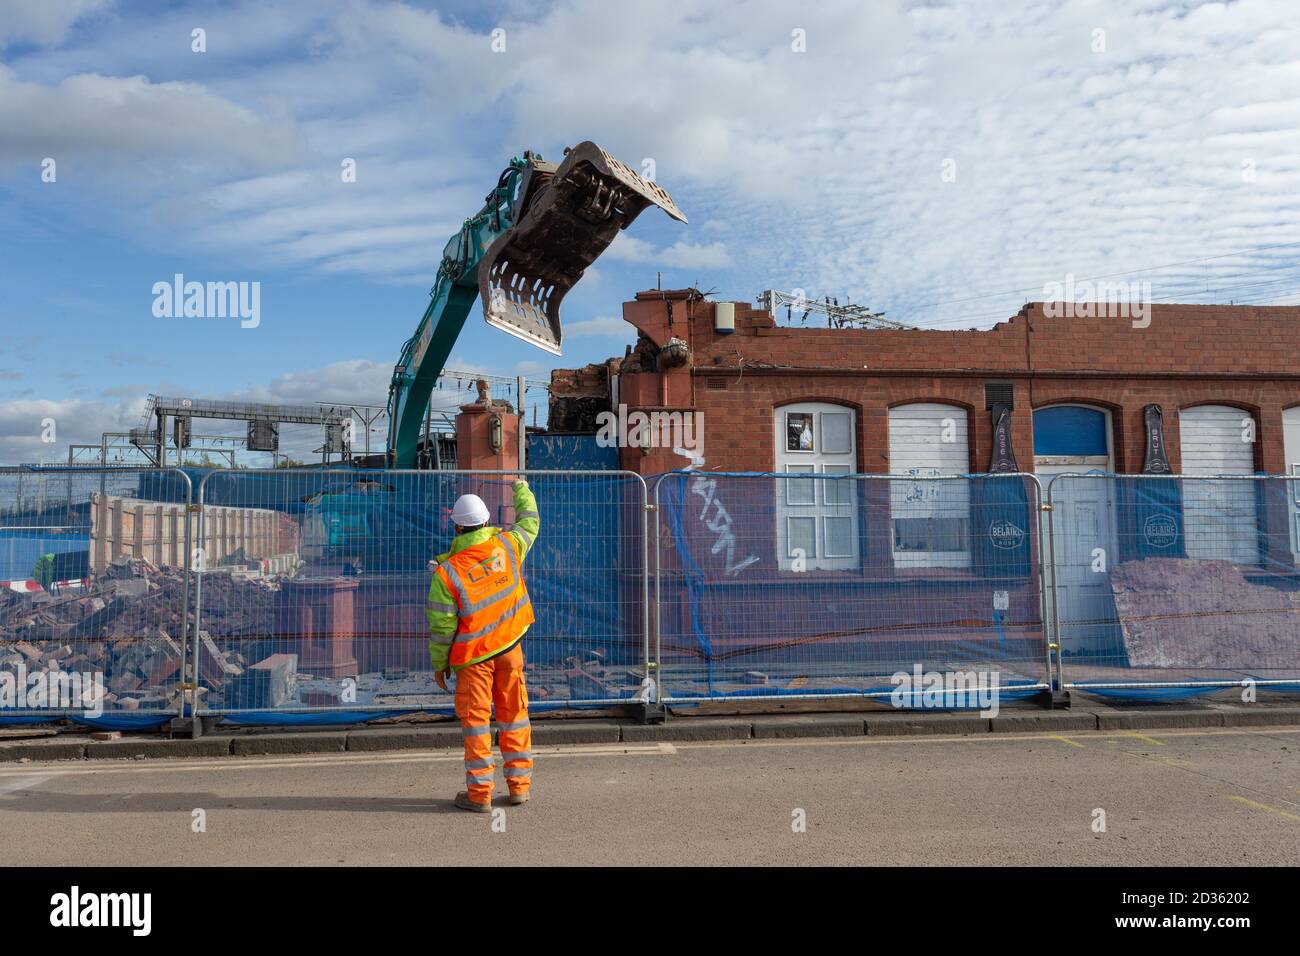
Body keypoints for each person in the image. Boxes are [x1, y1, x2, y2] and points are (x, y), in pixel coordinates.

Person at [427, 479, 540, 812]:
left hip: (473, 658)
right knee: (515, 716)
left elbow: (442, 627)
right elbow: (530, 520)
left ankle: (480, 796)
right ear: (488, 521)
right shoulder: (508, 546)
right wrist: (521, 488)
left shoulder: (446, 574)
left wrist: (440, 664)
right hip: (510, 647)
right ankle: (519, 787)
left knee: (477, 724)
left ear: (457, 526)